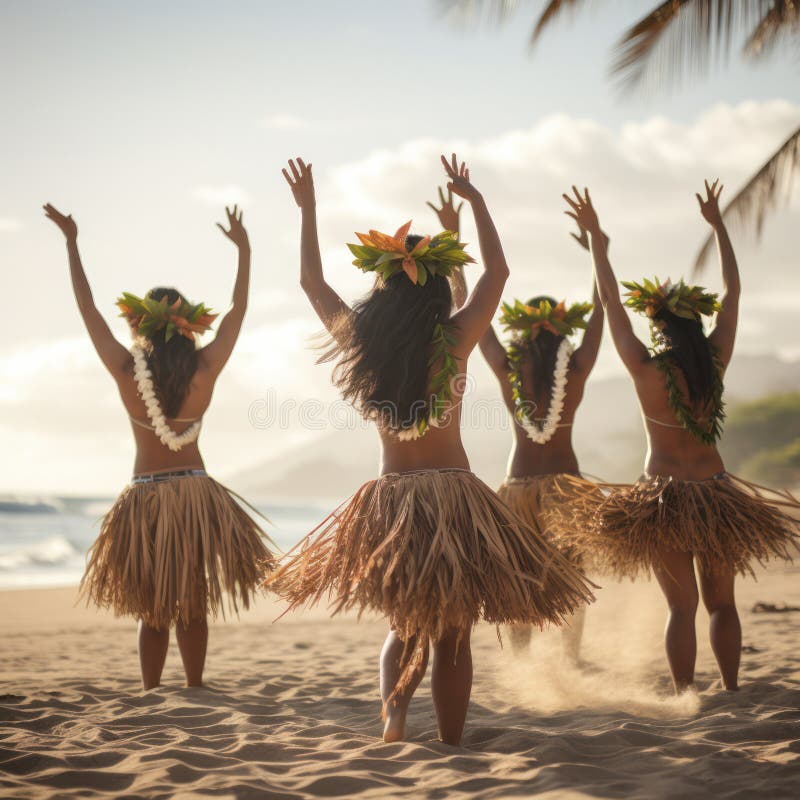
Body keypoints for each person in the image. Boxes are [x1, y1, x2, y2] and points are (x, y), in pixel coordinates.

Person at [269, 155, 593, 746]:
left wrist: (308, 209)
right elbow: (497, 273)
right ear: (438, 288)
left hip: (392, 501)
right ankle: (449, 742)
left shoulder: (364, 345)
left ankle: (394, 717)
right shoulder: (457, 338)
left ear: (383, 290)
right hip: (453, 496)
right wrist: (475, 201)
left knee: (403, 623)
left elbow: (312, 284)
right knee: (454, 636)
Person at [563, 182, 799, 693]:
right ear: (697, 324)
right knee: (722, 604)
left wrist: (598, 247)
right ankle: (732, 689)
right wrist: (718, 227)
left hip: (664, 498)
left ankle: (686, 693)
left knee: (681, 607)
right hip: (715, 493)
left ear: (660, 329)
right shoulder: (716, 361)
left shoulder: (646, 370)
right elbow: (735, 295)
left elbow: (610, 301)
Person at [44, 203, 274, 689]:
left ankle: (151, 690)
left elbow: (87, 311)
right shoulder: (204, 369)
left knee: (153, 606)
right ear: (188, 326)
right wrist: (245, 252)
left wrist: (72, 242)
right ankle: (194, 685)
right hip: (193, 493)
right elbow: (238, 312)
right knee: (192, 599)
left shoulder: (127, 372)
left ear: (141, 326)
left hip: (146, 495)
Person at [472, 218, 606, 664]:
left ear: (524, 331)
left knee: (520, 575)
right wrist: (597, 252)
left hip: (519, 487)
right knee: (570, 574)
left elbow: (480, 327)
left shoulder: (511, 371)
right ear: (562, 331)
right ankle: (571, 657)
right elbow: (603, 310)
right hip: (567, 487)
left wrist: (455, 258)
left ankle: (521, 664)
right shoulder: (578, 368)